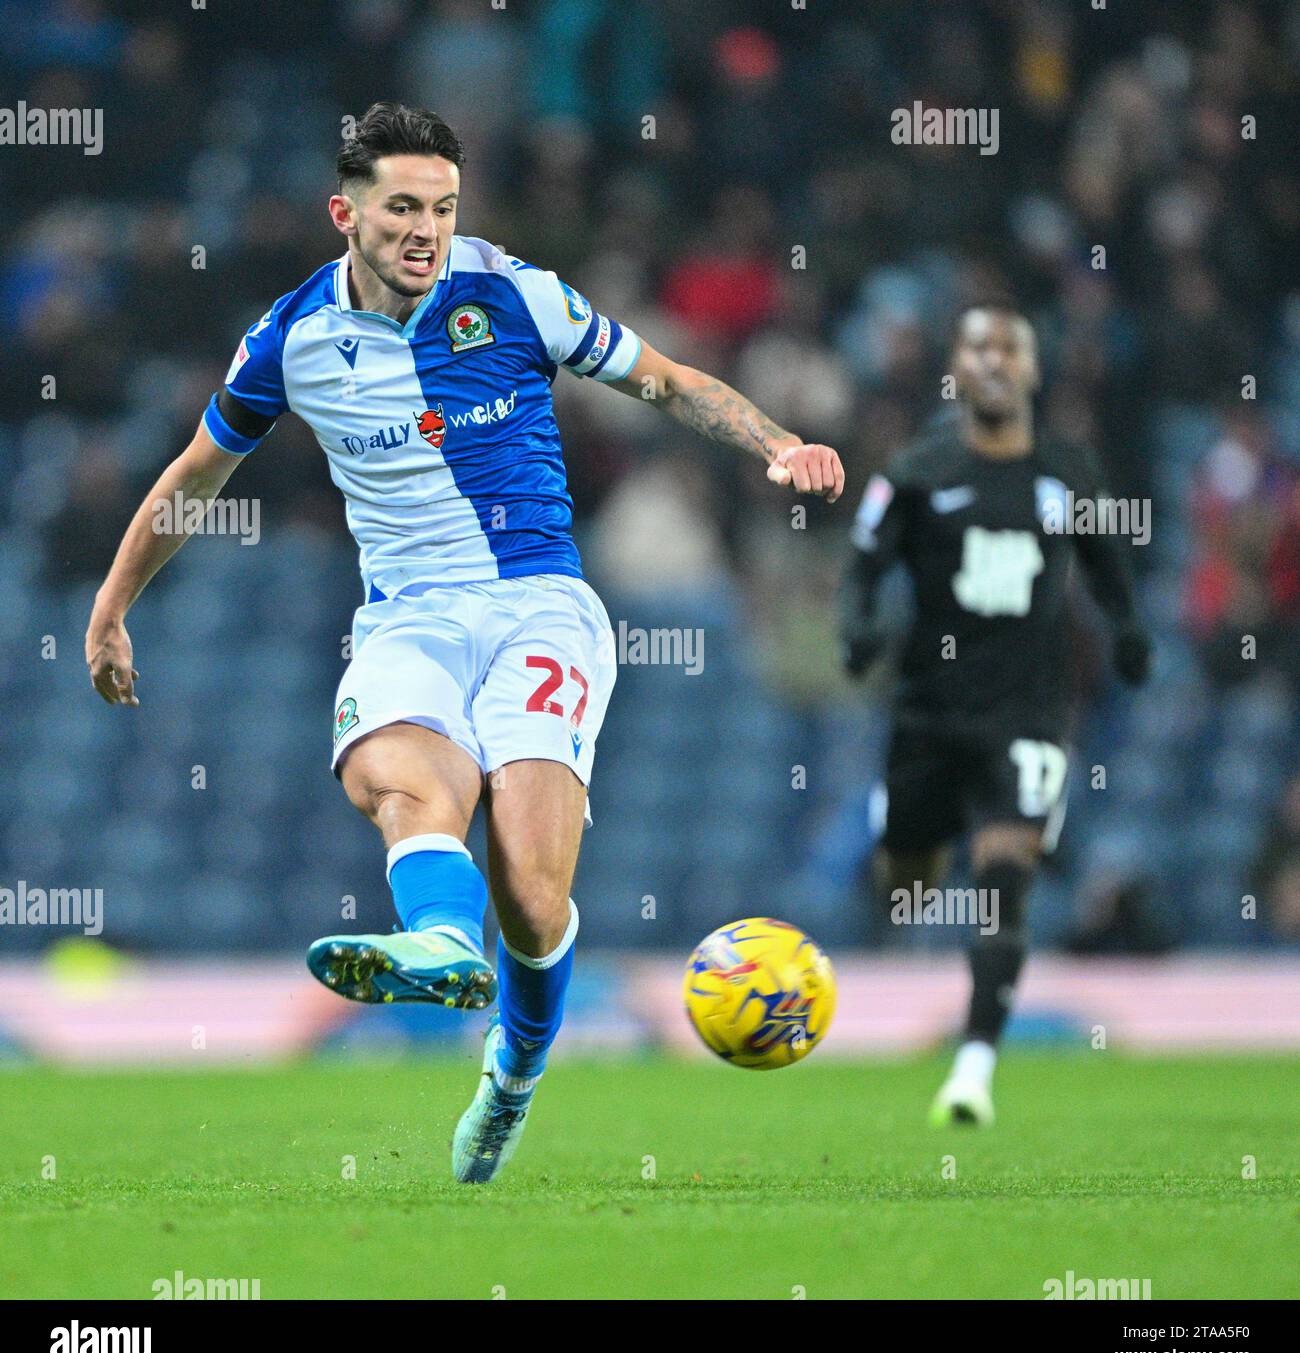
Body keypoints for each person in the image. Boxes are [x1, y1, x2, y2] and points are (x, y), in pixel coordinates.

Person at [85, 102, 843, 1182]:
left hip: (539, 604)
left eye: (441, 208)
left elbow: (665, 381)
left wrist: (777, 442)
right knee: (395, 776)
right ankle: (441, 939)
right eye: (401, 207)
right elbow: (196, 475)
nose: (425, 230)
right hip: (408, 614)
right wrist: (113, 606)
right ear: (344, 212)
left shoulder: (518, 294)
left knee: (532, 895)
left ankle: (516, 1070)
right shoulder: (292, 337)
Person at [839, 303, 1149, 1126]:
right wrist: (859, 630)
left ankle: (973, 1068)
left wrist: (1128, 633)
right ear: (958, 364)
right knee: (905, 883)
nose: (996, 361)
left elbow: (1108, 564)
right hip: (928, 711)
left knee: (1003, 878)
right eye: (979, 345)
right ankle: (897, 827)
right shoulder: (918, 469)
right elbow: (863, 567)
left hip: (1030, 711)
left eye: (1012, 347)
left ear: (1034, 370)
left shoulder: (1070, 471)